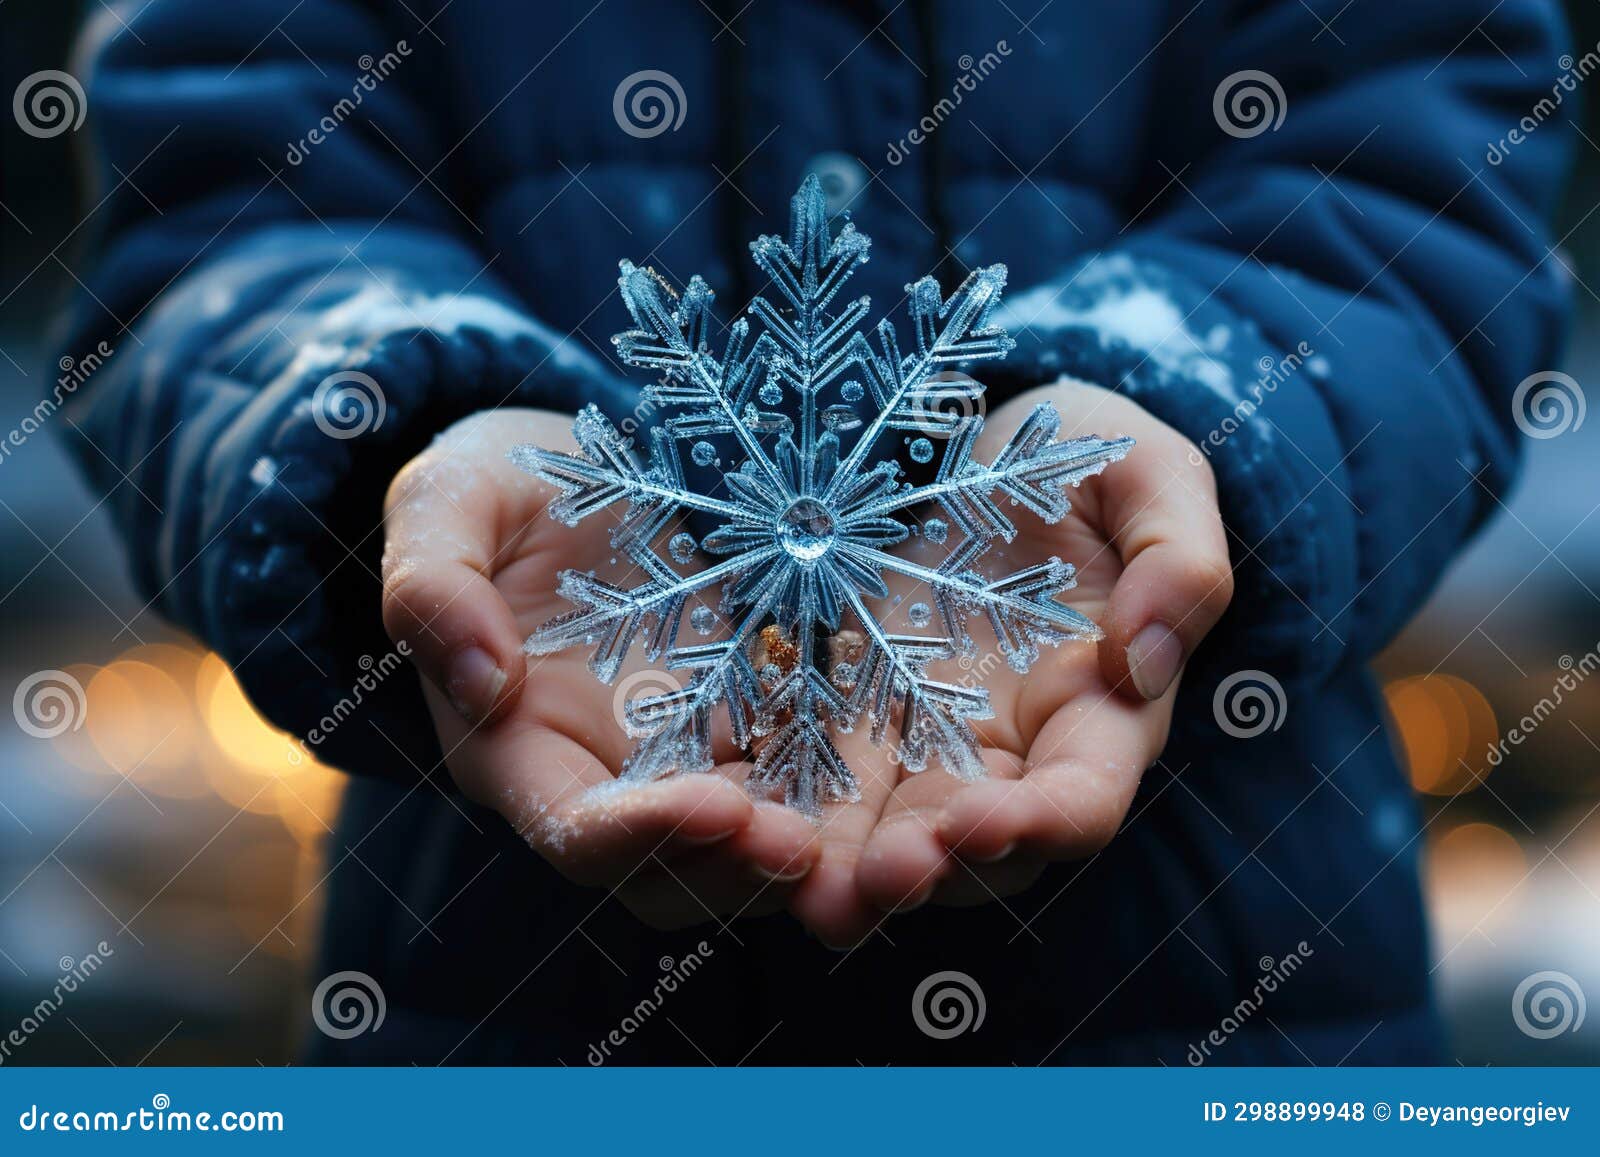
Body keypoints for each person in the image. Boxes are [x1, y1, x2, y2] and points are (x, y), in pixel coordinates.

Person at [55, 0, 1571, 1063]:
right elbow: (222, 210)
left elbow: (1414, 174)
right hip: (494, 1006)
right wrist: (399, 437)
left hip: (1220, 997)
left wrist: (1185, 408)